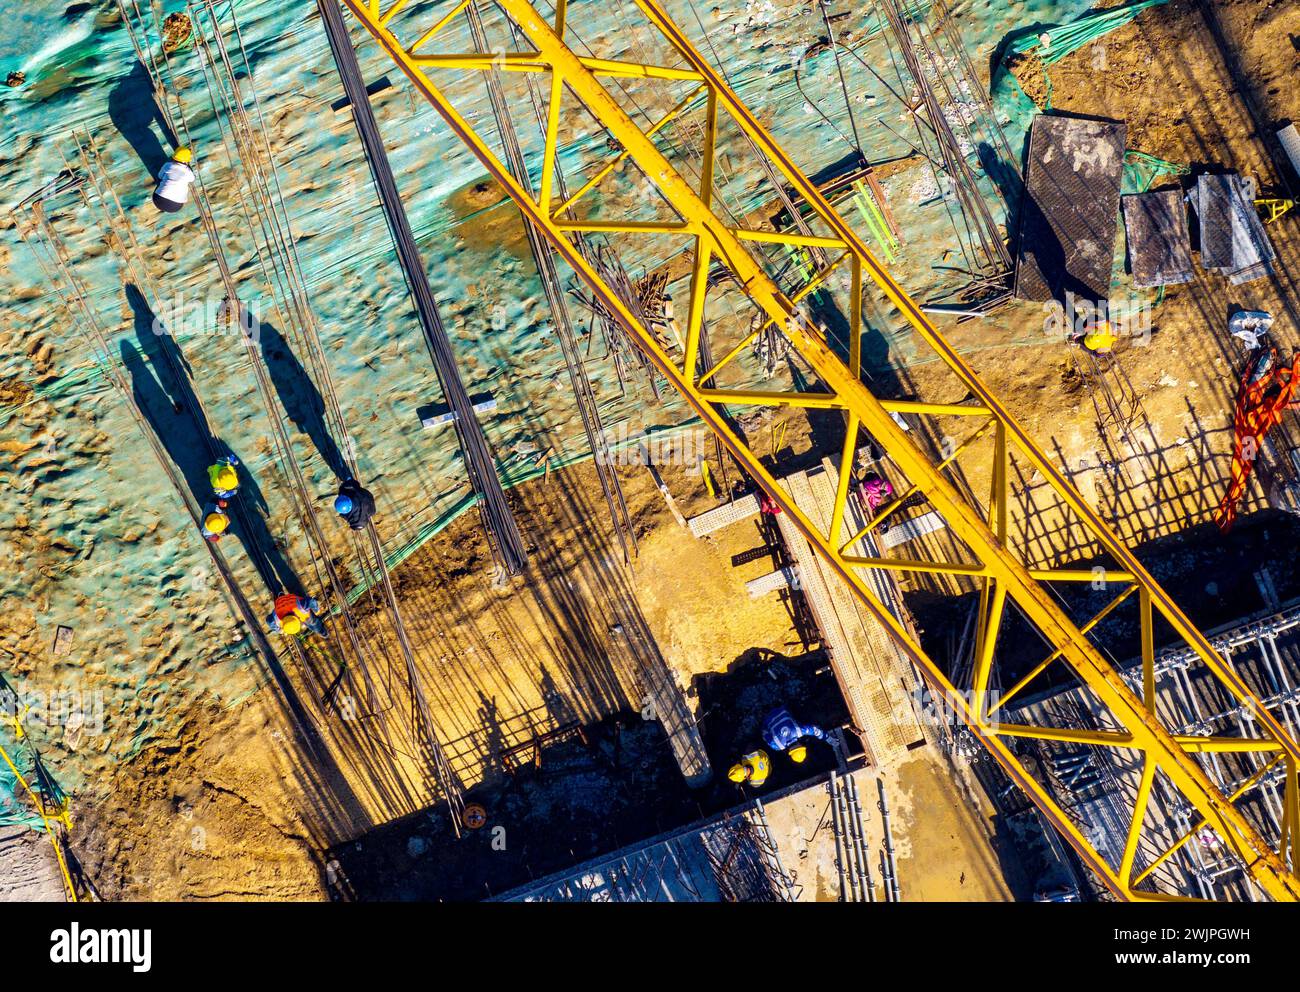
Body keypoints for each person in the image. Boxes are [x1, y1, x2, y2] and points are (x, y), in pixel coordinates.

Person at [761, 706, 829, 765]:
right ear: (790, 752)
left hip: (781, 709)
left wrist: (825, 737)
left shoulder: (799, 731)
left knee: (797, 720)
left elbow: (814, 730)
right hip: (767, 717)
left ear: (801, 746)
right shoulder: (777, 746)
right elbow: (764, 733)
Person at [153, 147, 196, 213]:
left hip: (158, 200)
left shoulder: (167, 165)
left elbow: (160, 176)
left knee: (162, 181)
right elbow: (192, 179)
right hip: (175, 207)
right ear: (187, 161)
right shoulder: (188, 172)